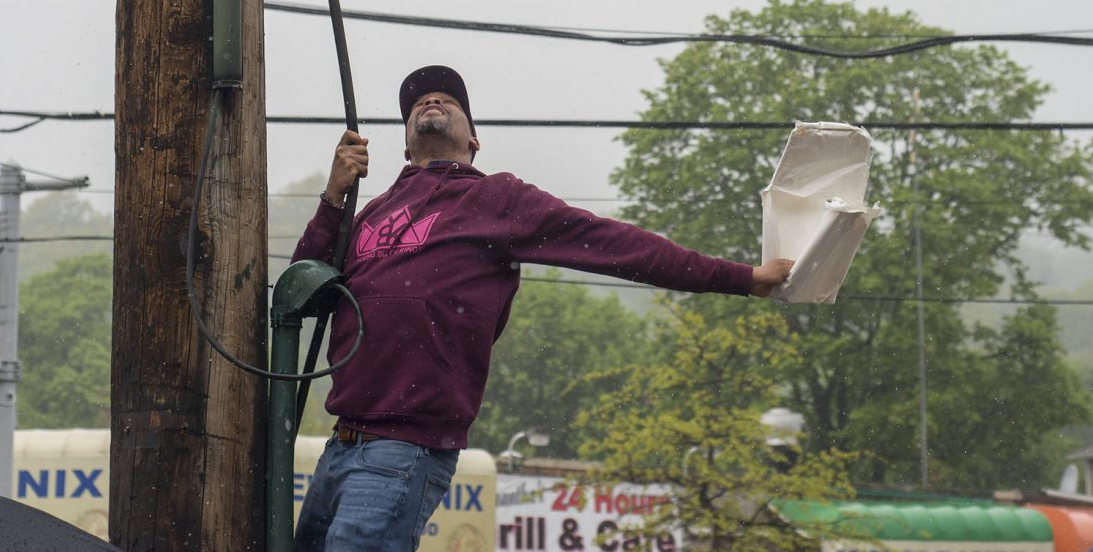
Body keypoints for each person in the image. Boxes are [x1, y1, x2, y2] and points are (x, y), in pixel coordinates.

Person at [290, 65, 795, 552]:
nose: (432, 99)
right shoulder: (371, 212)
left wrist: (742, 278)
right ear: (405, 145)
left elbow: (620, 246)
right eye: (419, 100)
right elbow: (300, 294)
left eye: (450, 99)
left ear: (474, 139)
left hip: (404, 447)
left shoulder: (498, 199)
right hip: (340, 444)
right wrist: (334, 196)